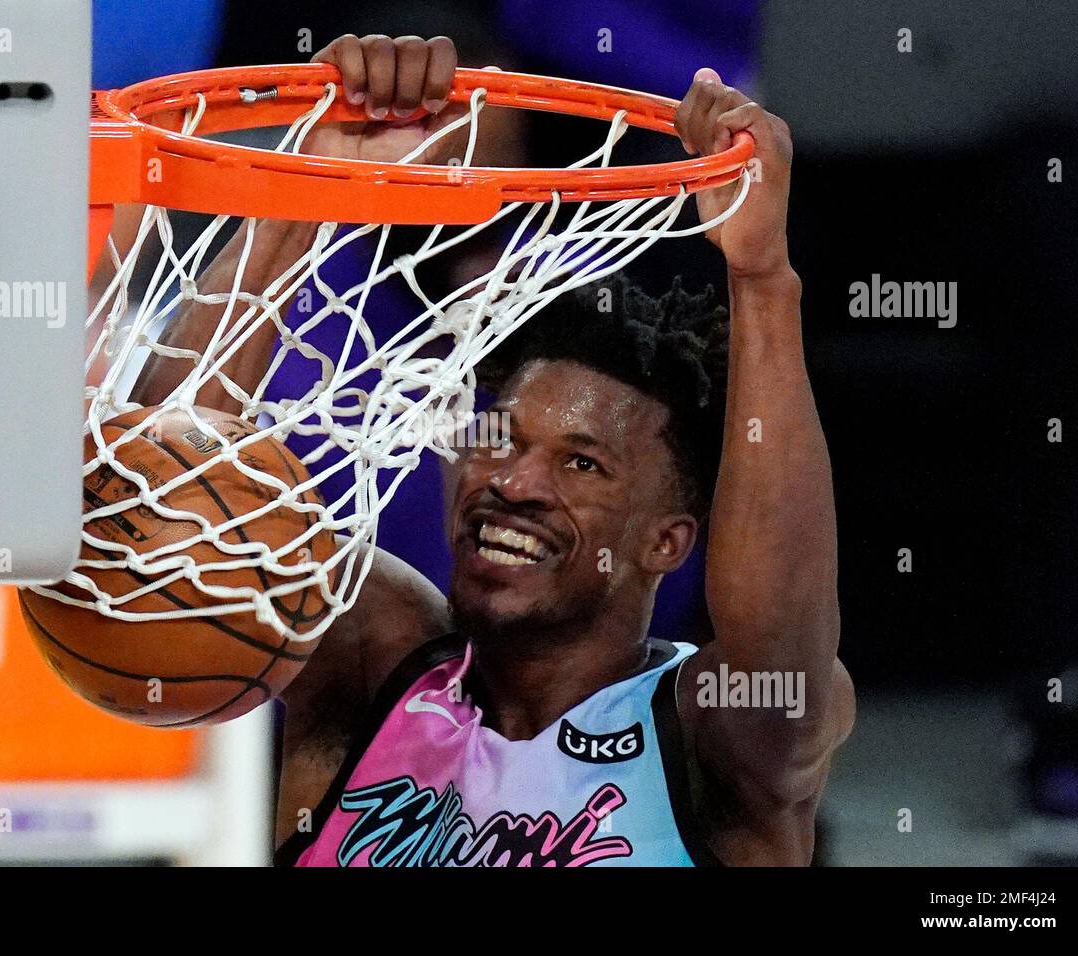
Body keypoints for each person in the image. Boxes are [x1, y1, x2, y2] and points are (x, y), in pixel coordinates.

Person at [134, 34, 854, 866]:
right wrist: (314, 177)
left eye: (581, 463)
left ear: (668, 540)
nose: (513, 481)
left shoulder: (712, 732)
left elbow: (785, 656)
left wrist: (763, 280)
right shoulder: (374, 661)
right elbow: (156, 512)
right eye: (499, 438)